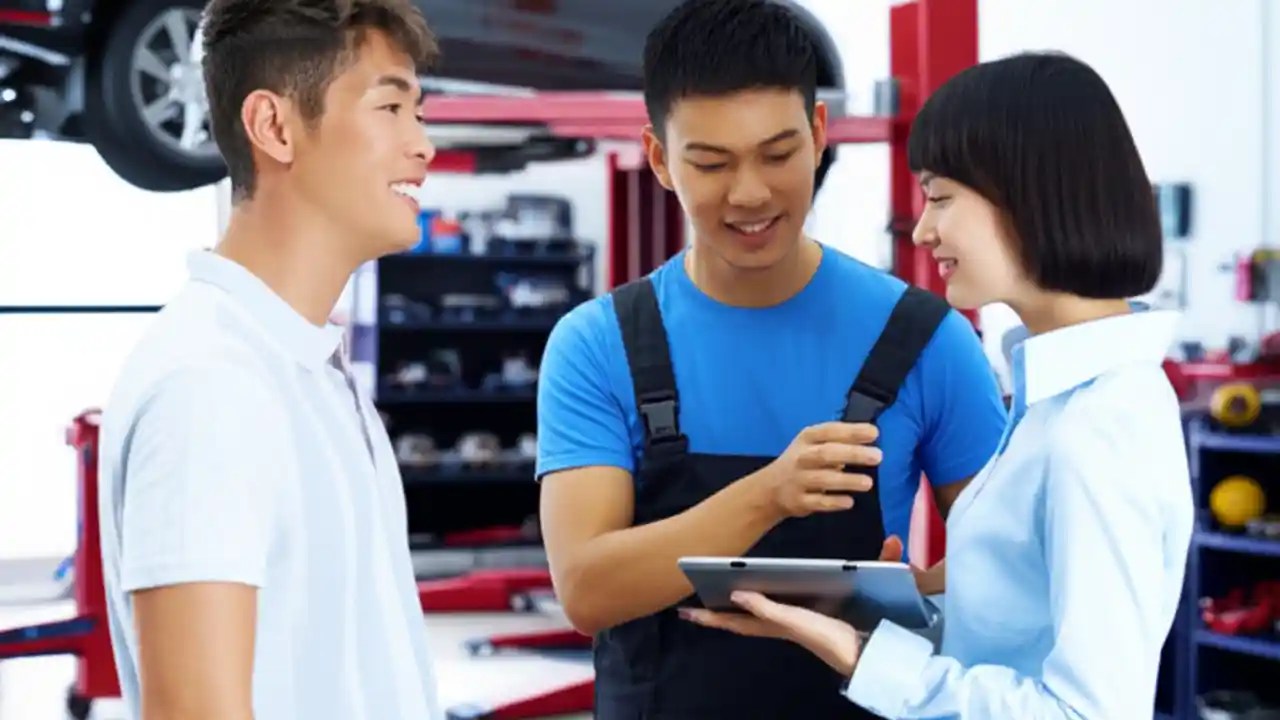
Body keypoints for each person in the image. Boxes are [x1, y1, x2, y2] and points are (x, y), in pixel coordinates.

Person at [683, 51, 1195, 720]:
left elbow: (1087, 712)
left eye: (941, 196)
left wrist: (864, 660)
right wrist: (896, 611)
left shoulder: (1098, 426)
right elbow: (1016, 639)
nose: (923, 230)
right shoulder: (1051, 402)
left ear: (1027, 193)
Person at [534, 0, 1008, 716]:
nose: (750, 192)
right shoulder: (598, 345)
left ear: (819, 136)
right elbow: (588, 591)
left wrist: (913, 597)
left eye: (778, 155)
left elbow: (1010, 578)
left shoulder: (929, 340)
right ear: (661, 159)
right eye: (711, 162)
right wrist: (768, 495)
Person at [96, 2, 441, 718]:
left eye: (419, 110)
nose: (423, 144)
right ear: (275, 127)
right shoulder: (211, 386)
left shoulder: (310, 371)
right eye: (391, 107)